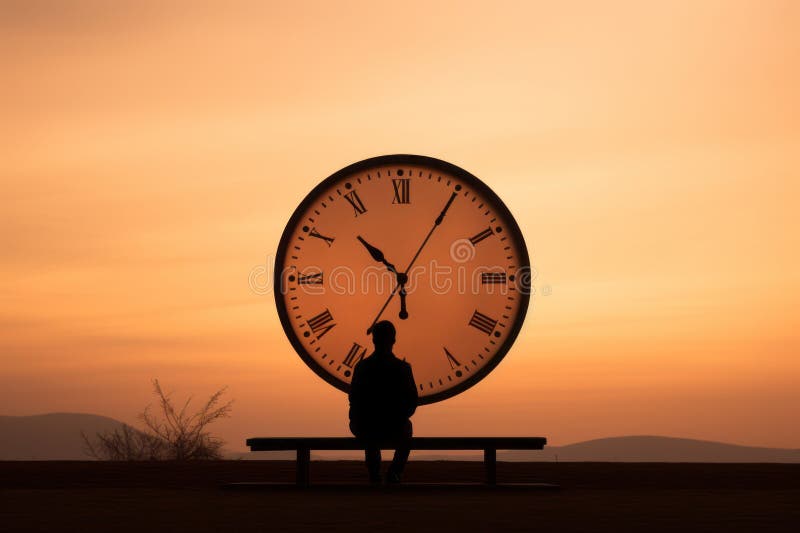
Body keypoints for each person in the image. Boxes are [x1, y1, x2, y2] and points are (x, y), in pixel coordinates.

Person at [348, 320, 418, 484]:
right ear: (393, 340)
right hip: (394, 424)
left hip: (366, 423)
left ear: (373, 339)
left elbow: (354, 398)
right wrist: (398, 415)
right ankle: (394, 472)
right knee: (407, 428)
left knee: (369, 431)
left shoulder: (362, 367)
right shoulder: (403, 368)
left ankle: (374, 472)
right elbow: (412, 400)